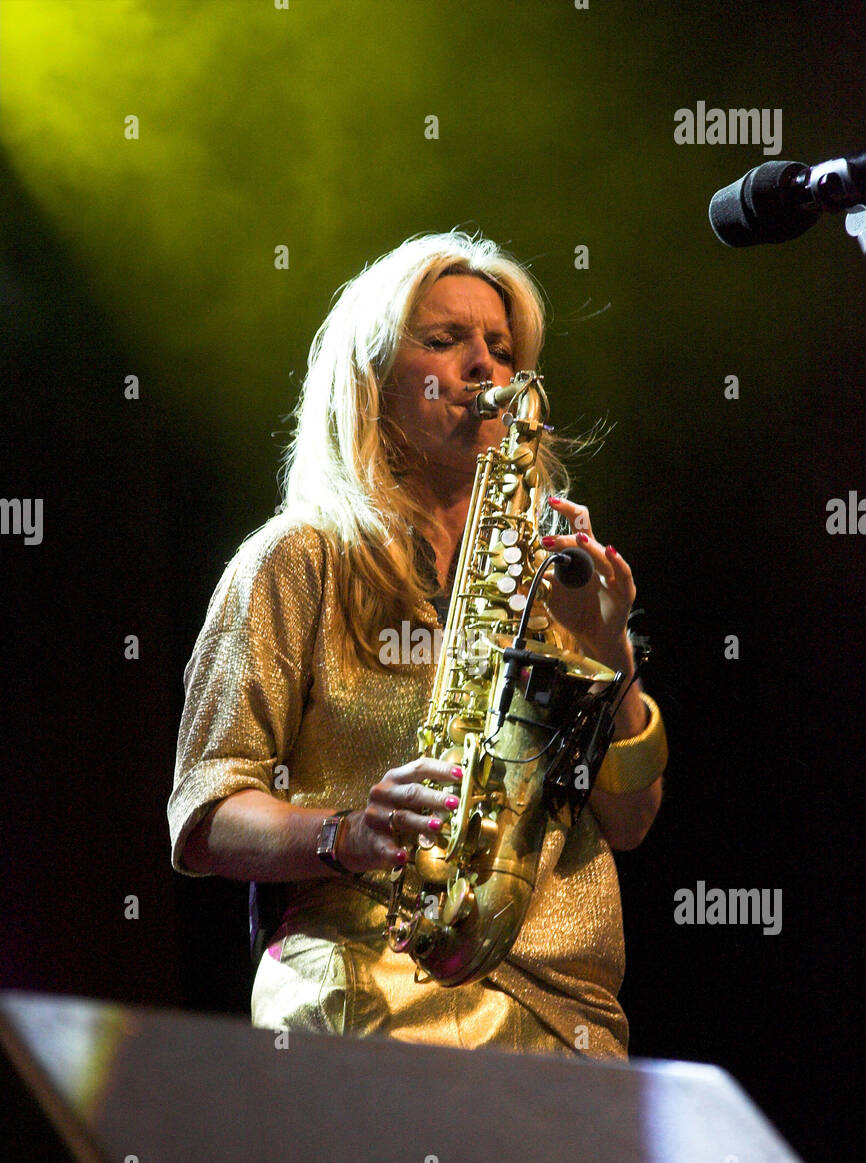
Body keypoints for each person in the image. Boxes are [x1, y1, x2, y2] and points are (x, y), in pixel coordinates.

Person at [167, 230, 667, 1061]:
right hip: (369, 992)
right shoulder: (297, 558)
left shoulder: (549, 573)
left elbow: (632, 818)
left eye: (501, 348)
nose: (484, 366)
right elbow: (205, 813)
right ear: (370, 381)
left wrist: (609, 646)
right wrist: (346, 833)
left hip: (563, 1018)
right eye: (444, 340)